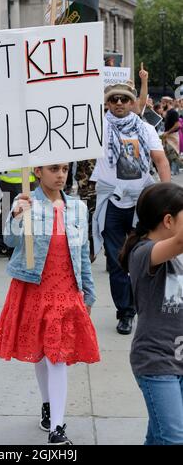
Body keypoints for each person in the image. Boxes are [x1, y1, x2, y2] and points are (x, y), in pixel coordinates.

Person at [0, 163, 100, 445]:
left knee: (57, 356)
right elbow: (10, 241)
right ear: (38, 172)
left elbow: (82, 252)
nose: (61, 175)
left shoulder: (76, 208)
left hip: (65, 289)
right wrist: (16, 214)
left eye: (65, 169)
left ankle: (57, 427)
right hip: (34, 287)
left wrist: (88, 291)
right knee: (40, 354)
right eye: (54, 169)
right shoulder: (26, 202)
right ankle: (48, 405)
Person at [91, 83, 171, 335]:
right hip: (112, 203)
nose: (118, 103)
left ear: (131, 102)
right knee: (116, 262)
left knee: (144, 259)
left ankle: (142, 307)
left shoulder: (145, 129)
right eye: (113, 99)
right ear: (107, 103)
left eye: (124, 99)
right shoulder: (97, 126)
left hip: (141, 203)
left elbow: (160, 161)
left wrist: (166, 198)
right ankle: (125, 312)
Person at [119, 183, 183, 445]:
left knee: (158, 437)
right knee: (174, 439)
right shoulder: (143, 253)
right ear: (168, 220)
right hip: (156, 361)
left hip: (178, 357)